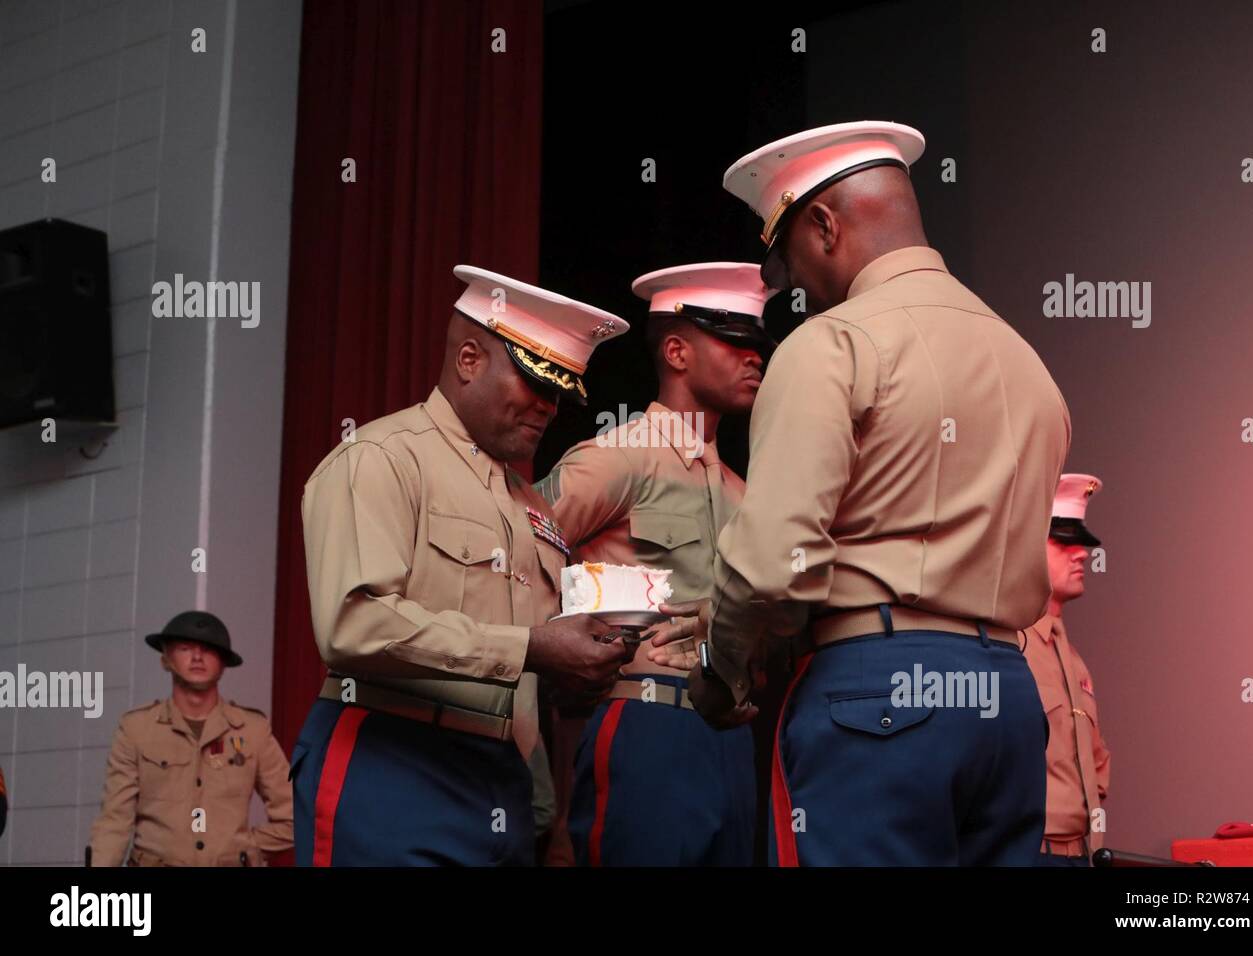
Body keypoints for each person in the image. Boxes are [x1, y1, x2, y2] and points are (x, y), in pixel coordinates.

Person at [665, 120, 1071, 865]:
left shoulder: (834, 343)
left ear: (823, 225)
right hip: (1008, 696)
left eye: (791, 265)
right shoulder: (1028, 361)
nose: (800, 293)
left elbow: (770, 565)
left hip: (878, 692)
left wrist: (723, 670)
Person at [293, 265, 636, 865]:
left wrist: (587, 660)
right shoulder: (380, 458)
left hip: (502, 778)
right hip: (390, 757)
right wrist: (531, 649)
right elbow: (352, 627)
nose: (548, 407)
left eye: (559, 392)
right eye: (534, 382)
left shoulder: (534, 507)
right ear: (470, 361)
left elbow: (544, 654)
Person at [536, 263, 776, 865]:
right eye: (735, 342)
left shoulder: (743, 493)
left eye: (759, 345)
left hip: (730, 735)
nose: (755, 359)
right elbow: (515, 554)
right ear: (676, 351)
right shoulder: (619, 457)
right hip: (645, 722)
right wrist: (604, 622)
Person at [88, 611, 293, 866]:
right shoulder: (137, 729)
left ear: (223, 662)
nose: (197, 657)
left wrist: (244, 848)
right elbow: (115, 821)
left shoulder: (251, 731)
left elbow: (294, 817)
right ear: (166, 658)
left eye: (208, 649)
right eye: (185, 648)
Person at [1022, 473, 1112, 867]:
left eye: (1083, 545)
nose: (1082, 554)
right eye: (1063, 542)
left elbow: (1095, 761)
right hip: (1030, 855)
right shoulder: (1009, 648)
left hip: (1083, 856)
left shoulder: (1072, 659)